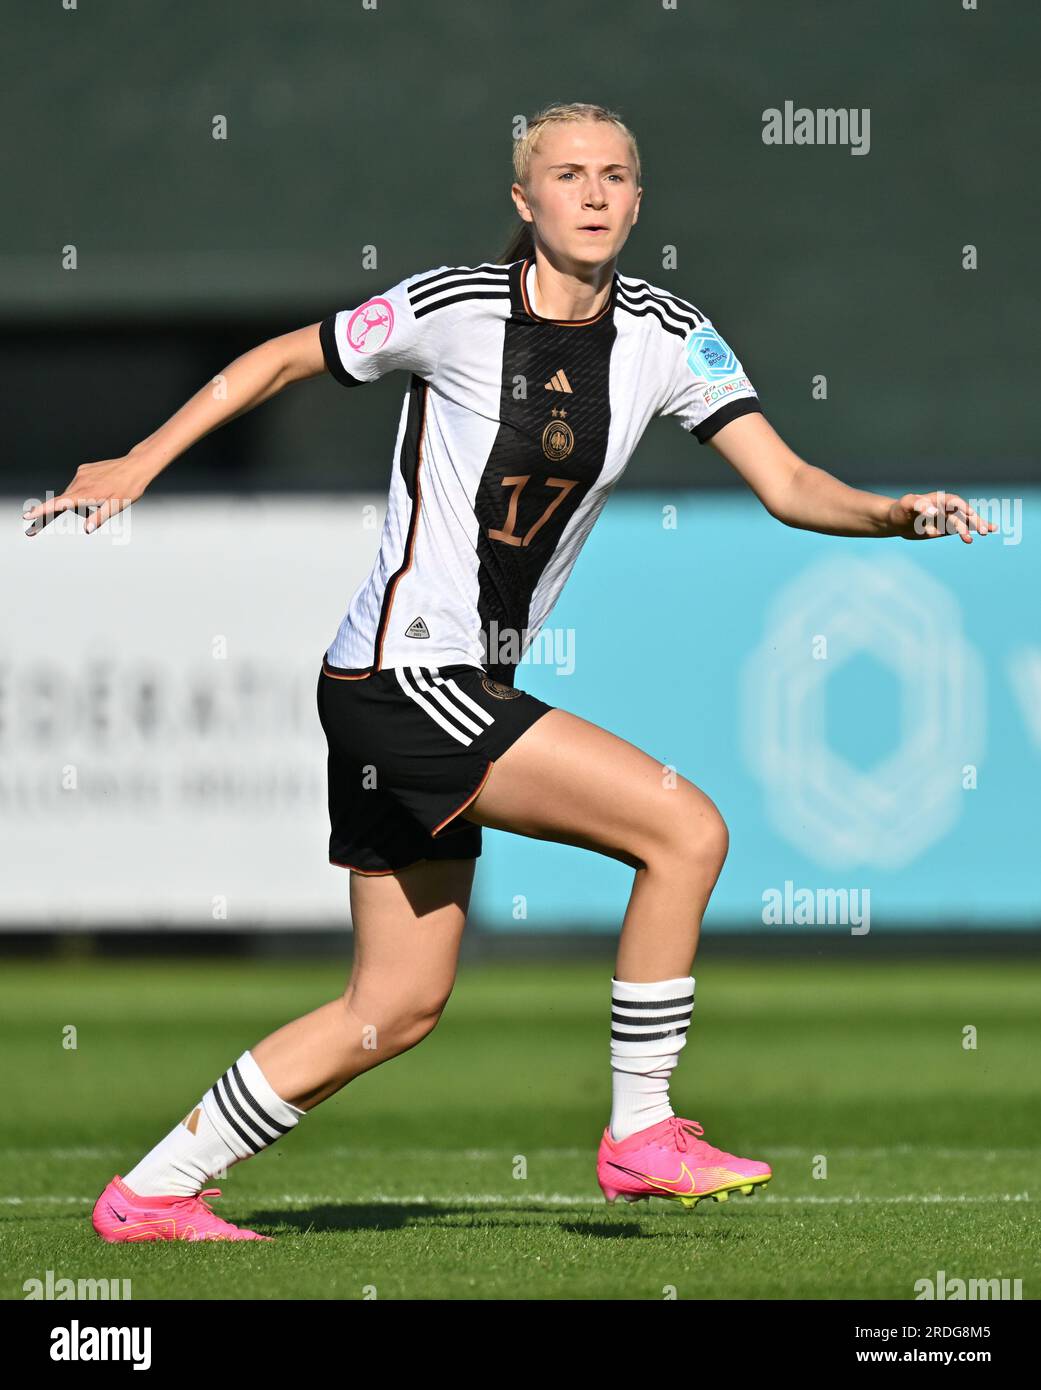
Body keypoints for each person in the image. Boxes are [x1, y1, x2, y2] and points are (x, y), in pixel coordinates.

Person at [24, 102, 995, 1242]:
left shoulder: (674, 337)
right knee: (686, 832)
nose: (593, 192)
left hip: (416, 690)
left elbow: (786, 485)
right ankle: (640, 1131)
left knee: (393, 1005)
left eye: (616, 174)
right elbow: (290, 355)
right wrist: (140, 460)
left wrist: (893, 516)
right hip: (406, 675)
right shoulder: (454, 308)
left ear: (641, 201)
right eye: (567, 174)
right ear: (523, 203)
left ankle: (149, 1192)